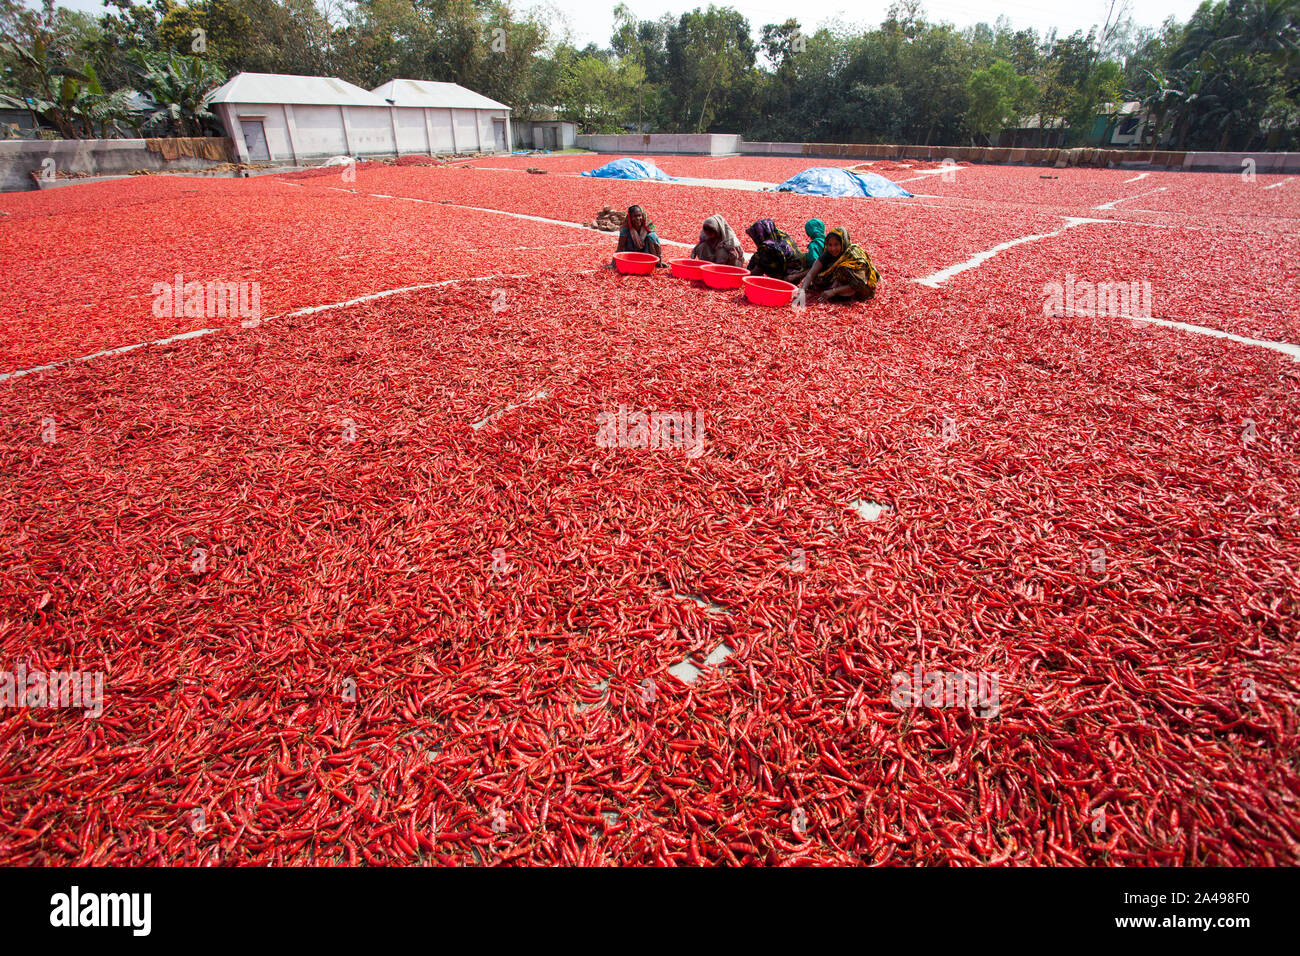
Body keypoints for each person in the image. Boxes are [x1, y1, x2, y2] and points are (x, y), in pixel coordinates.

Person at [798, 226, 880, 302]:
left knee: (844, 268)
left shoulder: (854, 255)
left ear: (843, 242)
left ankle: (845, 294)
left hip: (863, 287)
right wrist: (802, 290)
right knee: (820, 274)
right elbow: (812, 273)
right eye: (830, 245)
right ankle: (837, 290)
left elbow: (860, 283)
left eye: (836, 244)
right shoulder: (828, 253)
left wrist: (833, 291)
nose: (833, 248)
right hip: (843, 282)